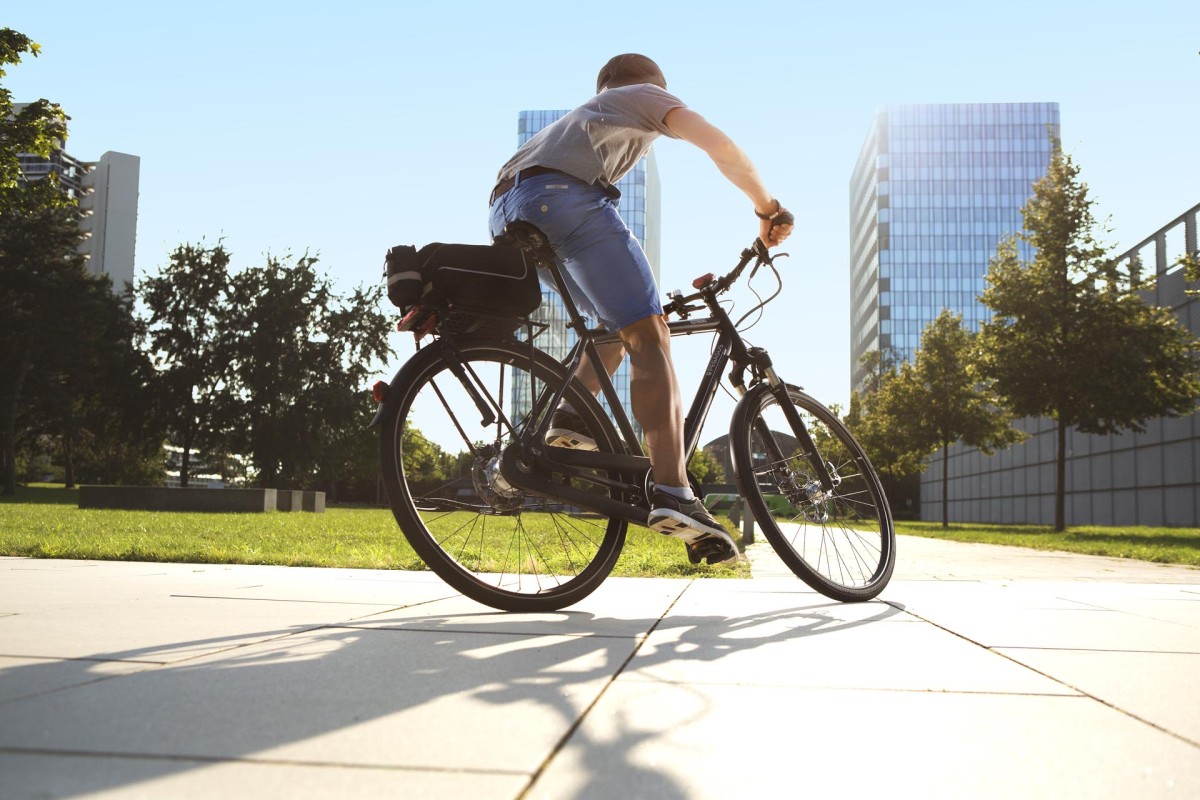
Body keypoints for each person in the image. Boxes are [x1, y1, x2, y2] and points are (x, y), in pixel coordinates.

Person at [488, 54, 793, 565]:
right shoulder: (642, 95)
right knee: (651, 336)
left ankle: (569, 419)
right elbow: (722, 147)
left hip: (506, 215)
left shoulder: (568, 128)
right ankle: (674, 490)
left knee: (614, 329)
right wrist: (767, 207)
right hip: (561, 200)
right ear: (653, 84)